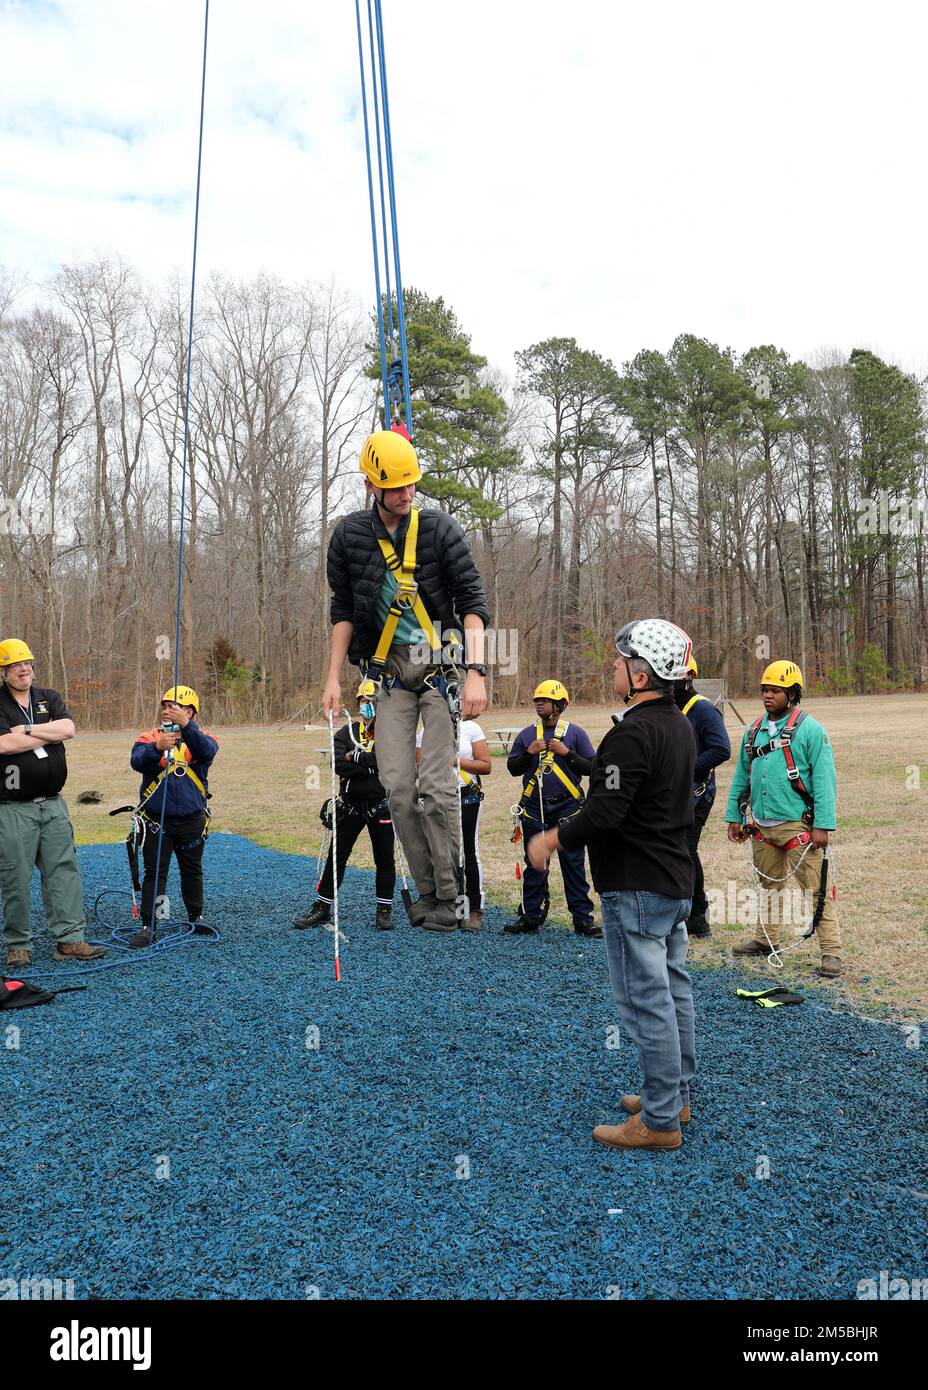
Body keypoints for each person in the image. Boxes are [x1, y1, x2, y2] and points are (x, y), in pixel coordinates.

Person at [528, 619, 696, 1152]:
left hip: (638, 885)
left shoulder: (632, 732)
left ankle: (661, 1119)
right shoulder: (676, 725)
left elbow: (605, 811)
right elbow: (622, 783)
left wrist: (551, 840)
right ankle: (673, 1095)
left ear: (641, 675)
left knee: (648, 1000)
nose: (614, 668)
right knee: (674, 990)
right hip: (673, 879)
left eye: (622, 661)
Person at [324, 429, 489, 934]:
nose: (407, 493)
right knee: (398, 790)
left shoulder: (440, 530)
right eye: (396, 486)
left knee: (437, 790)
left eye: (412, 484)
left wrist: (478, 673)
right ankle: (427, 894)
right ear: (372, 485)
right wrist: (333, 678)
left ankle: (451, 896)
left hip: (440, 671)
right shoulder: (350, 537)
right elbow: (344, 611)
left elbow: (473, 605)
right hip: (389, 675)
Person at [724, 660, 841, 977]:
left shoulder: (812, 731)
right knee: (768, 887)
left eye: (775, 690)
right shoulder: (753, 731)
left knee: (817, 891)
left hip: (798, 828)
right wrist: (734, 816)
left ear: (792, 693)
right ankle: (765, 941)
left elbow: (824, 782)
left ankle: (831, 953)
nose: (767, 696)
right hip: (761, 827)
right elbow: (741, 777)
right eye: (764, 690)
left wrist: (822, 826)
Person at [0, 637, 105, 968]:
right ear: (3, 671)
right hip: (14, 807)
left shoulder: (48, 697)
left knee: (63, 872)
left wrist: (28, 729)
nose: (23, 670)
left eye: (27, 663)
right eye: (15, 665)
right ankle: (18, 945)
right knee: (15, 877)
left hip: (54, 804)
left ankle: (70, 940)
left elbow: (68, 729)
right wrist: (45, 733)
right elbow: (4, 744)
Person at [294, 679, 397, 932]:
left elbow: (390, 762)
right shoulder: (346, 733)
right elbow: (338, 765)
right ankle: (322, 906)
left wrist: (361, 759)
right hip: (350, 805)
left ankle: (384, 910)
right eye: (364, 702)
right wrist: (371, 766)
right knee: (337, 857)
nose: (368, 706)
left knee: (385, 859)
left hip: (381, 805)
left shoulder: (391, 732)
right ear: (358, 704)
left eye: (372, 702)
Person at [504, 680, 599, 937]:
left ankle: (582, 919)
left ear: (560, 705)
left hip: (568, 810)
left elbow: (591, 768)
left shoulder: (575, 733)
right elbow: (513, 769)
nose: (539, 704)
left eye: (544, 700)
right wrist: (528, 753)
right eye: (537, 700)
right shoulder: (527, 735)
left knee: (573, 864)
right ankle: (530, 916)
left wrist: (566, 753)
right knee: (534, 864)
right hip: (534, 810)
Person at [129, 685, 218, 946]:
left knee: (192, 870)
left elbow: (206, 753)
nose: (167, 710)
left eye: (174, 706)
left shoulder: (202, 736)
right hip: (157, 821)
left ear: (189, 711)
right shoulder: (149, 737)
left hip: (192, 819)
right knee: (156, 873)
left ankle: (196, 916)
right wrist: (157, 747)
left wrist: (186, 727)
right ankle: (151, 925)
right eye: (165, 706)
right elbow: (137, 762)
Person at [673, 657, 731, 938]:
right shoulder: (670, 709)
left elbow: (721, 749)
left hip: (698, 793)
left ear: (688, 678)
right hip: (673, 793)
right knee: (676, 849)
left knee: (686, 849)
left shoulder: (704, 710)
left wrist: (685, 769)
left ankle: (697, 916)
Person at [417, 715, 491, 932]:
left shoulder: (471, 728)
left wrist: (456, 761)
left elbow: (486, 765)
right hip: (438, 797)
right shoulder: (425, 731)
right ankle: (451, 905)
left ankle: (474, 908)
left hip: (466, 796)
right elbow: (420, 766)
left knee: (468, 851)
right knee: (442, 853)